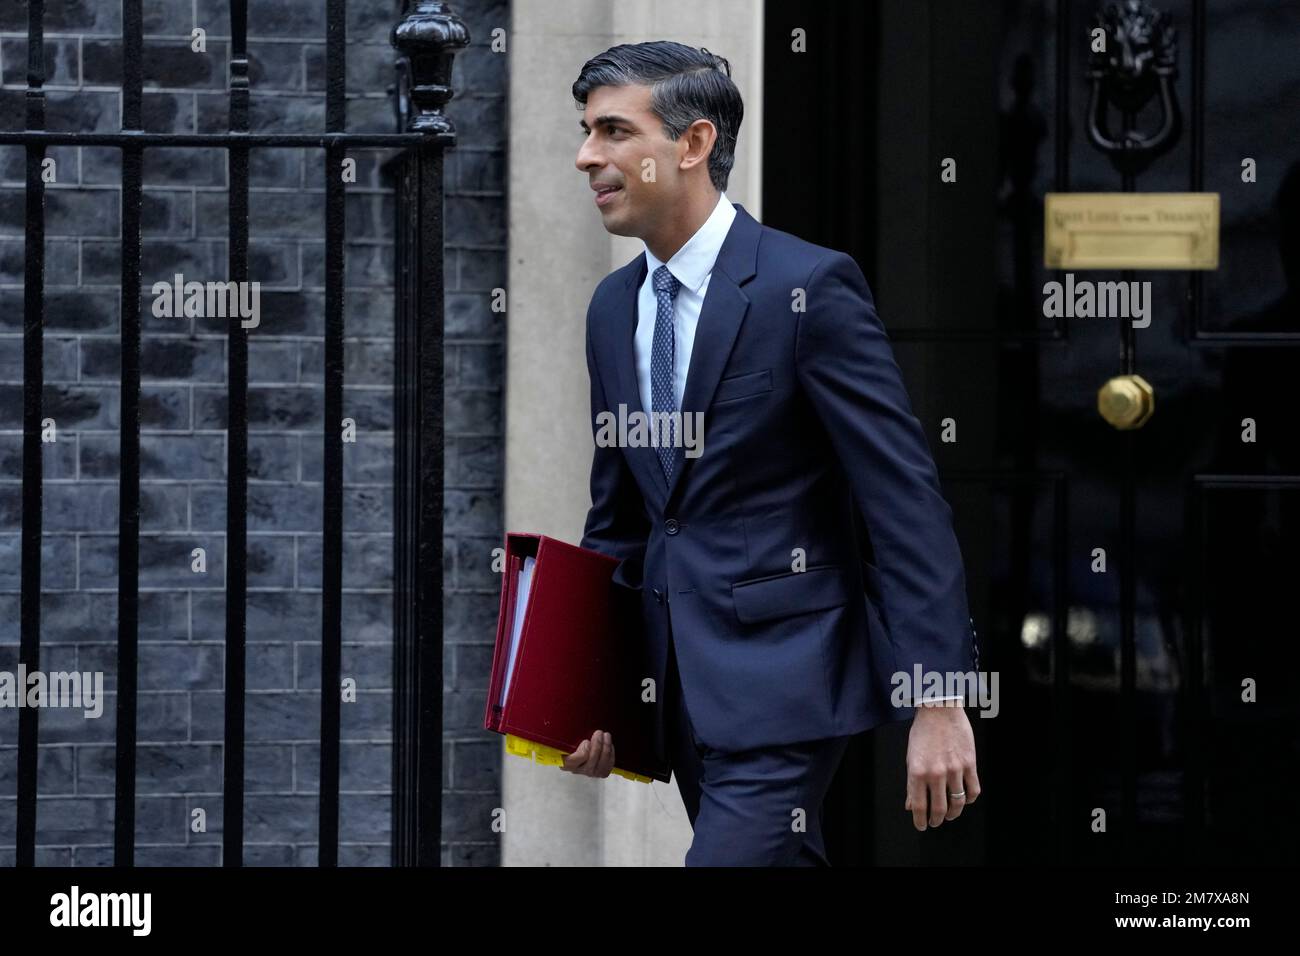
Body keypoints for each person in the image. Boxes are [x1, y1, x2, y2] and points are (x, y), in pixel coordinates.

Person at [561, 40, 981, 865]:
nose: (586, 157)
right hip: (674, 688)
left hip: (788, 679)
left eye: (613, 131)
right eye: (585, 132)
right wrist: (593, 690)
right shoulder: (613, 309)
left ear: (693, 144)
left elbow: (901, 498)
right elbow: (618, 520)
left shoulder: (809, 289)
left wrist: (940, 695)